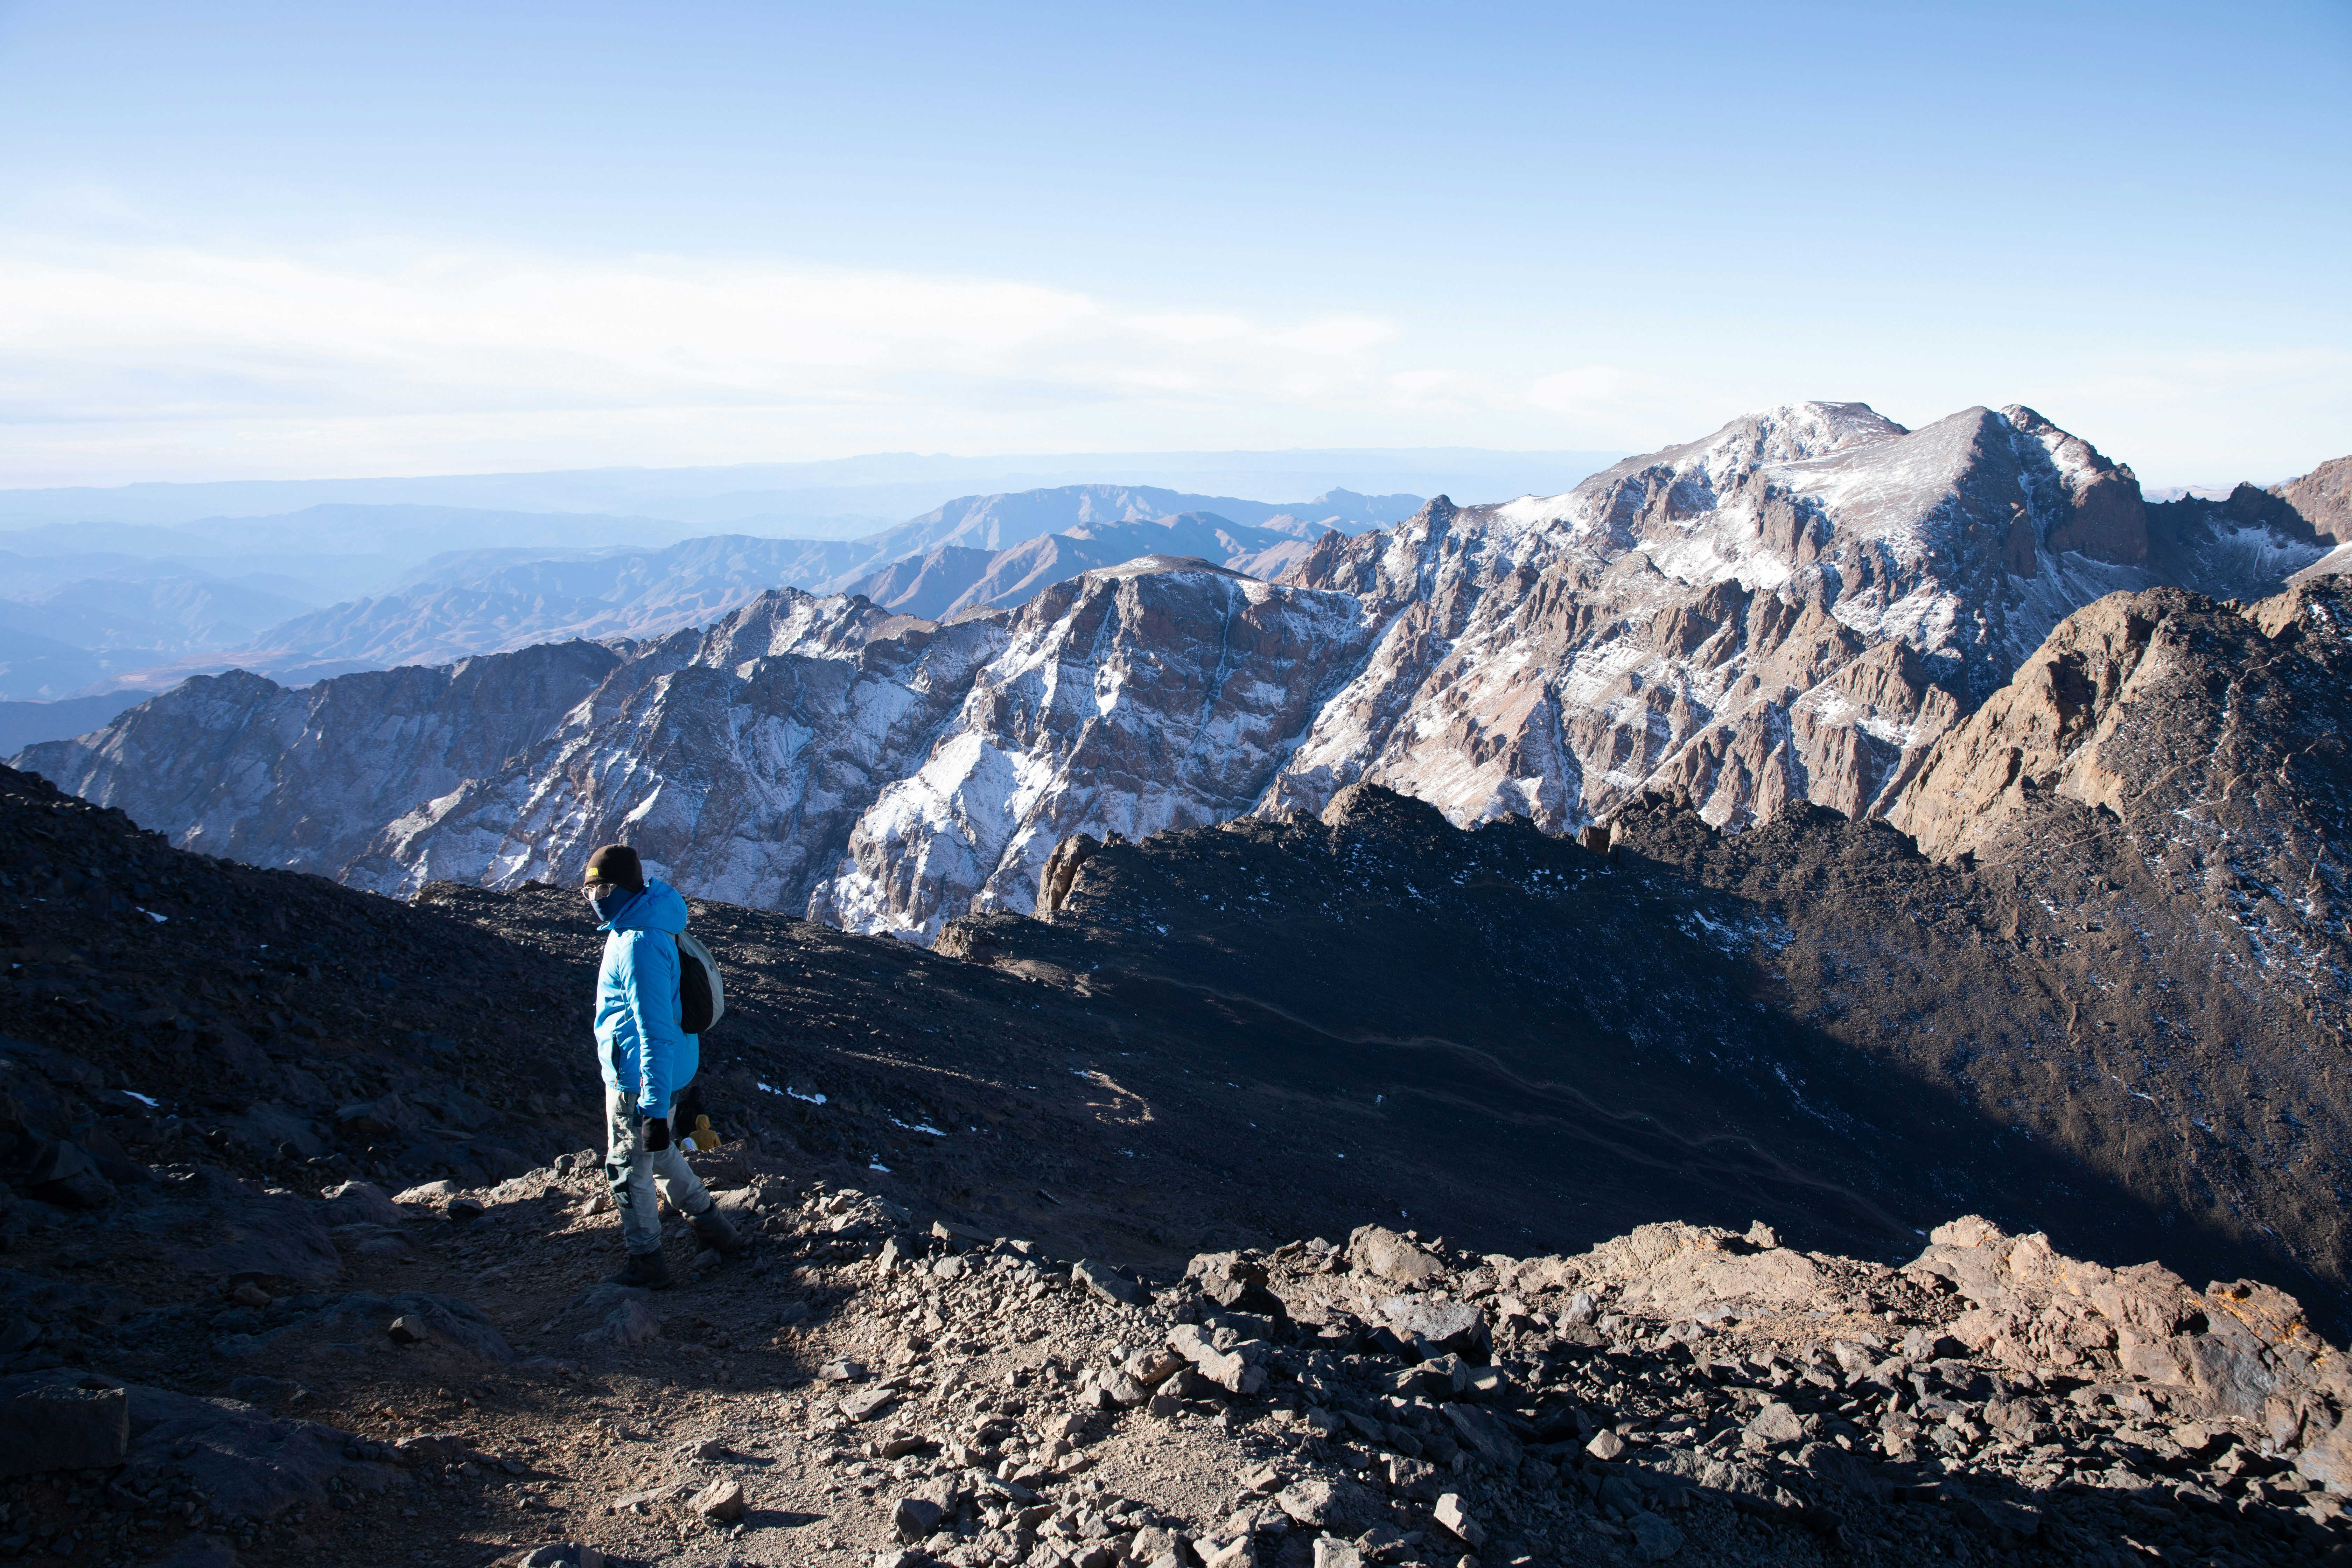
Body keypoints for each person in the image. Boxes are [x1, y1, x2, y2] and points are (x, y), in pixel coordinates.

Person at [583, 843, 749, 1288]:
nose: (597, 897)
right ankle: (713, 1225)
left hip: (639, 1079)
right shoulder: (648, 920)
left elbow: (653, 1030)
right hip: (664, 1073)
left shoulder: (638, 941)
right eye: (590, 890)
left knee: (627, 1165)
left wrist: (654, 1108)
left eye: (604, 887)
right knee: (657, 1154)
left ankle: (647, 1262)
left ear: (626, 887)